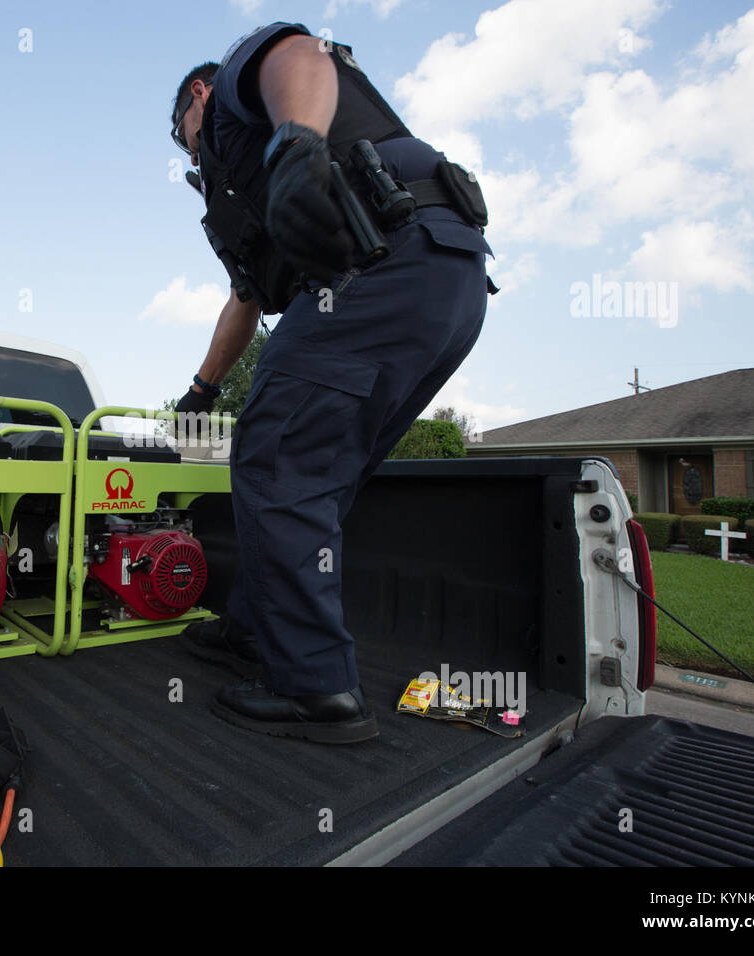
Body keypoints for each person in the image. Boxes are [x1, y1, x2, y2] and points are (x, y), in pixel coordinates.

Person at [171, 22, 495, 744]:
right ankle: (256, 630)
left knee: (276, 454)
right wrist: (202, 388)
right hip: (445, 281)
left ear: (197, 97)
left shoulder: (235, 89)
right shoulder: (236, 193)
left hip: (386, 257)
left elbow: (301, 54)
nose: (189, 149)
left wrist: (296, 145)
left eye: (182, 134)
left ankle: (317, 690)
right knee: (317, 470)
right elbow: (246, 298)